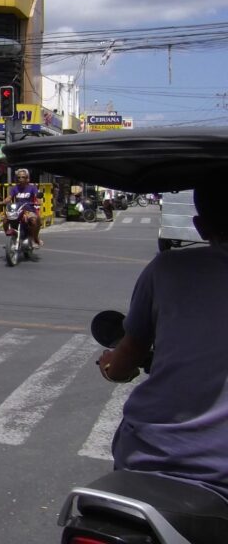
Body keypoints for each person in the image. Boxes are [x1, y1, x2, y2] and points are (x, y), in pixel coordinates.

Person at [96, 183, 228, 502]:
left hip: (148, 452)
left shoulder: (167, 266)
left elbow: (128, 355)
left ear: (200, 226)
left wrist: (112, 366)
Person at [0, 168, 42, 246]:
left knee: (35, 221)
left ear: (27, 178)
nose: (20, 179)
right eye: (18, 177)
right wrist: (3, 202)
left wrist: (39, 201)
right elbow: (9, 198)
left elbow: (37, 196)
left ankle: (35, 238)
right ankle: (10, 238)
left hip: (29, 210)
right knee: (5, 220)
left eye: (23, 177)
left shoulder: (32, 187)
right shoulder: (14, 188)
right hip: (17, 210)